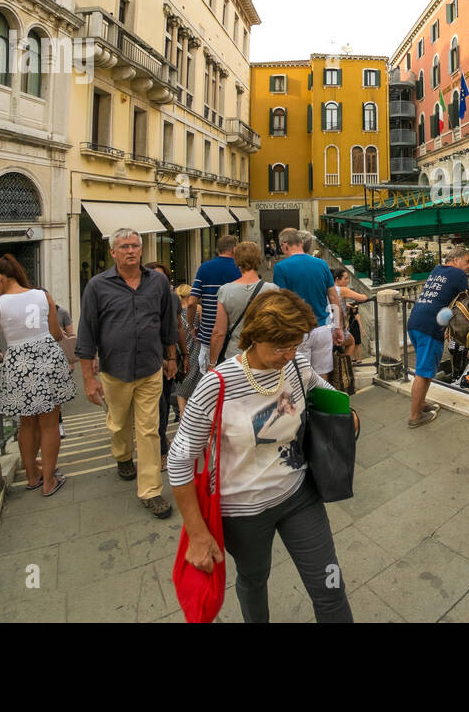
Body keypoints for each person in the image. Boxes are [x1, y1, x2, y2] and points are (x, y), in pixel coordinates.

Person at [169, 289, 353, 623]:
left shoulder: (296, 364)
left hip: (299, 494)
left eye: (294, 344)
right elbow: (179, 460)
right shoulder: (216, 385)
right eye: (280, 346)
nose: (288, 354)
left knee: (330, 584)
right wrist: (197, 533)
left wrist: (346, 413)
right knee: (254, 580)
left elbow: (323, 391)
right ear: (254, 337)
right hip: (242, 512)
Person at [76, 229, 180, 518]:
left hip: (150, 368)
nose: (131, 250)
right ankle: (122, 456)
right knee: (119, 423)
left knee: (148, 429)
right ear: (113, 252)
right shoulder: (97, 286)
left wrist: (170, 356)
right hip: (115, 371)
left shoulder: (158, 282)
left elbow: (166, 324)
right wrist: (88, 379)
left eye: (135, 245)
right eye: (124, 246)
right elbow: (86, 334)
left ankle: (150, 490)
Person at [0, 255, 76, 496]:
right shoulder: (42, 295)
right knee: (50, 424)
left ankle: (32, 477)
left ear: (0, 278)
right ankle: (49, 481)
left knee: (26, 423)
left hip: (18, 363)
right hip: (47, 357)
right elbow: (56, 333)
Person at [405, 245, 469, 428]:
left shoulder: (437, 270)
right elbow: (467, 304)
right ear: (456, 260)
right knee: (422, 372)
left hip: (416, 321)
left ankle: (422, 403)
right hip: (430, 326)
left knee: (425, 369)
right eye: (467, 262)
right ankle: (414, 416)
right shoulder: (458, 275)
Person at [272, 228, 343, 378]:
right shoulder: (322, 264)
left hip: (298, 330)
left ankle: (304, 401)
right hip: (323, 328)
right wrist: (338, 327)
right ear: (300, 243)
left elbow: (282, 302)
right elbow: (333, 298)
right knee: (322, 375)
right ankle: (321, 401)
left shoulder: (280, 268)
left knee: (299, 376)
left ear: (285, 245)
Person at [210, 242, 274, 368]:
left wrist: (212, 362)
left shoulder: (225, 291)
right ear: (259, 260)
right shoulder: (272, 290)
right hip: (264, 354)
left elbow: (219, 332)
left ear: (237, 261)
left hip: (235, 355)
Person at [145, 261, 182, 468]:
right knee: (156, 406)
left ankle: (160, 444)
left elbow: (177, 328)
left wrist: (181, 355)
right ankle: (160, 449)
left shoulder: (173, 298)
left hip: (168, 358)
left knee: (165, 403)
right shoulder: (140, 299)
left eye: (163, 278)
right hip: (147, 361)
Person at [192, 235, 241, 374]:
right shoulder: (240, 269)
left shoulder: (205, 268)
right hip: (234, 339)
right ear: (234, 249)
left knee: (210, 382)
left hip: (208, 337)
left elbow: (191, 301)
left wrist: (192, 326)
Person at [332, 268, 373, 362]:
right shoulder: (342, 290)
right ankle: (345, 367)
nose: (347, 281)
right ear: (337, 279)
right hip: (337, 329)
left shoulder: (329, 289)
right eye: (345, 279)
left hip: (327, 326)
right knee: (351, 342)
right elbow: (363, 298)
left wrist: (345, 304)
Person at [174, 283, 202, 414]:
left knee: (181, 388)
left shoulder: (175, 312)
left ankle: (181, 416)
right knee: (196, 384)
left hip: (180, 350)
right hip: (196, 350)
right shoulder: (198, 309)